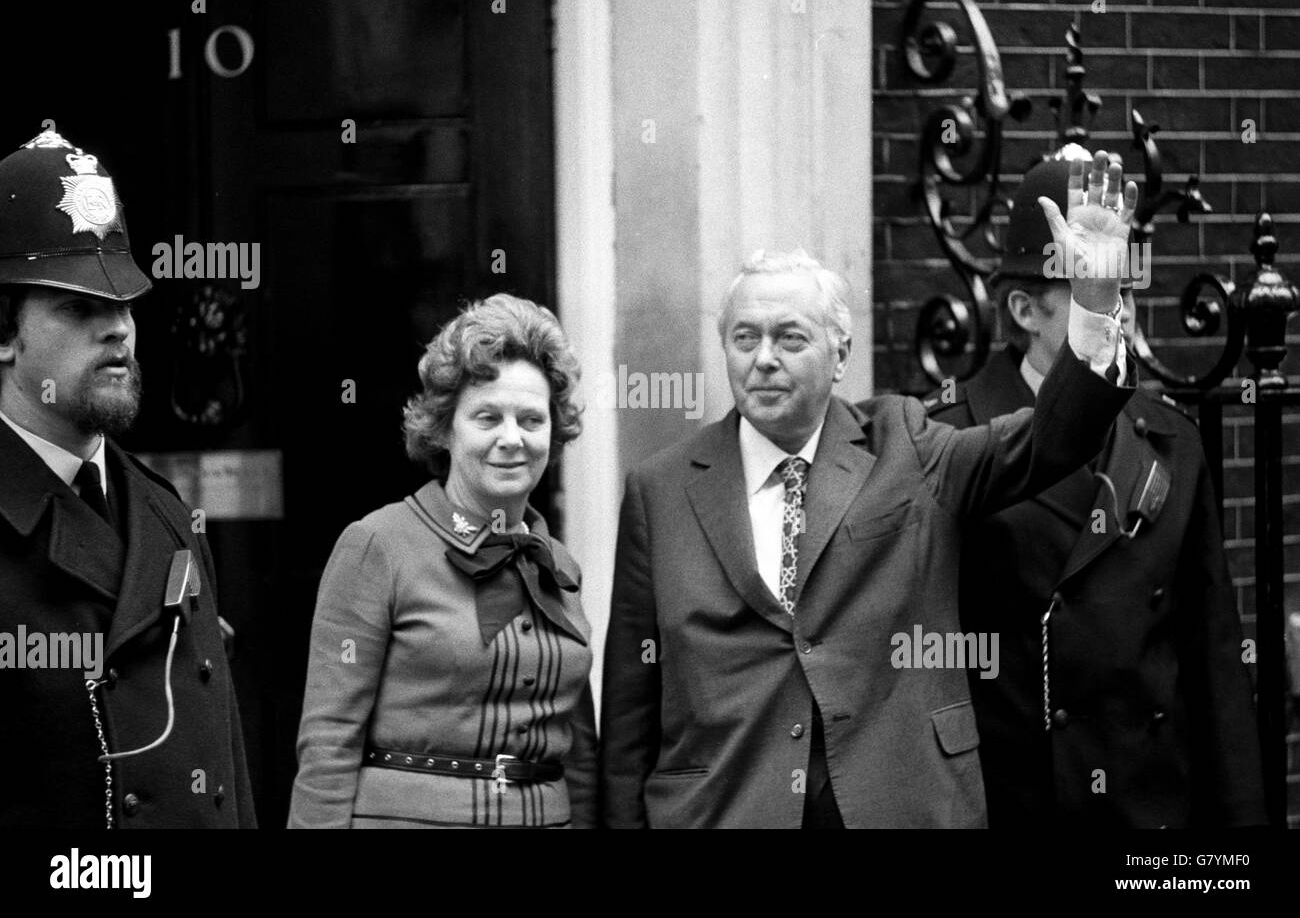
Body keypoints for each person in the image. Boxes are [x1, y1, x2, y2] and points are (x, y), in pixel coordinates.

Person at [600, 150, 1140, 828]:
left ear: (840, 352)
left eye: (789, 337)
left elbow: (1051, 442)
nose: (762, 357)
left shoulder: (906, 444)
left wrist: (1094, 303)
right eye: (744, 337)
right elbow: (627, 716)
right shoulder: (661, 490)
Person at [926, 148, 1267, 828]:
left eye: (1124, 291)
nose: (1119, 311)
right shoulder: (953, 438)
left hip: (1151, 814)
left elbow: (1212, 660)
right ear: (1024, 307)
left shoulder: (1173, 437)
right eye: (1090, 289)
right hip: (1021, 803)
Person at [0, 130, 256, 828]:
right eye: (81, 307)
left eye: (124, 302)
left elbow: (225, 767)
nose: (118, 329)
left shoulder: (168, 514)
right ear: (5, 331)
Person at [288, 293, 597, 828]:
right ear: (445, 427)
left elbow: (581, 755)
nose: (511, 439)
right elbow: (328, 746)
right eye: (487, 417)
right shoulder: (378, 545)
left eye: (531, 418)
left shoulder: (557, 566)